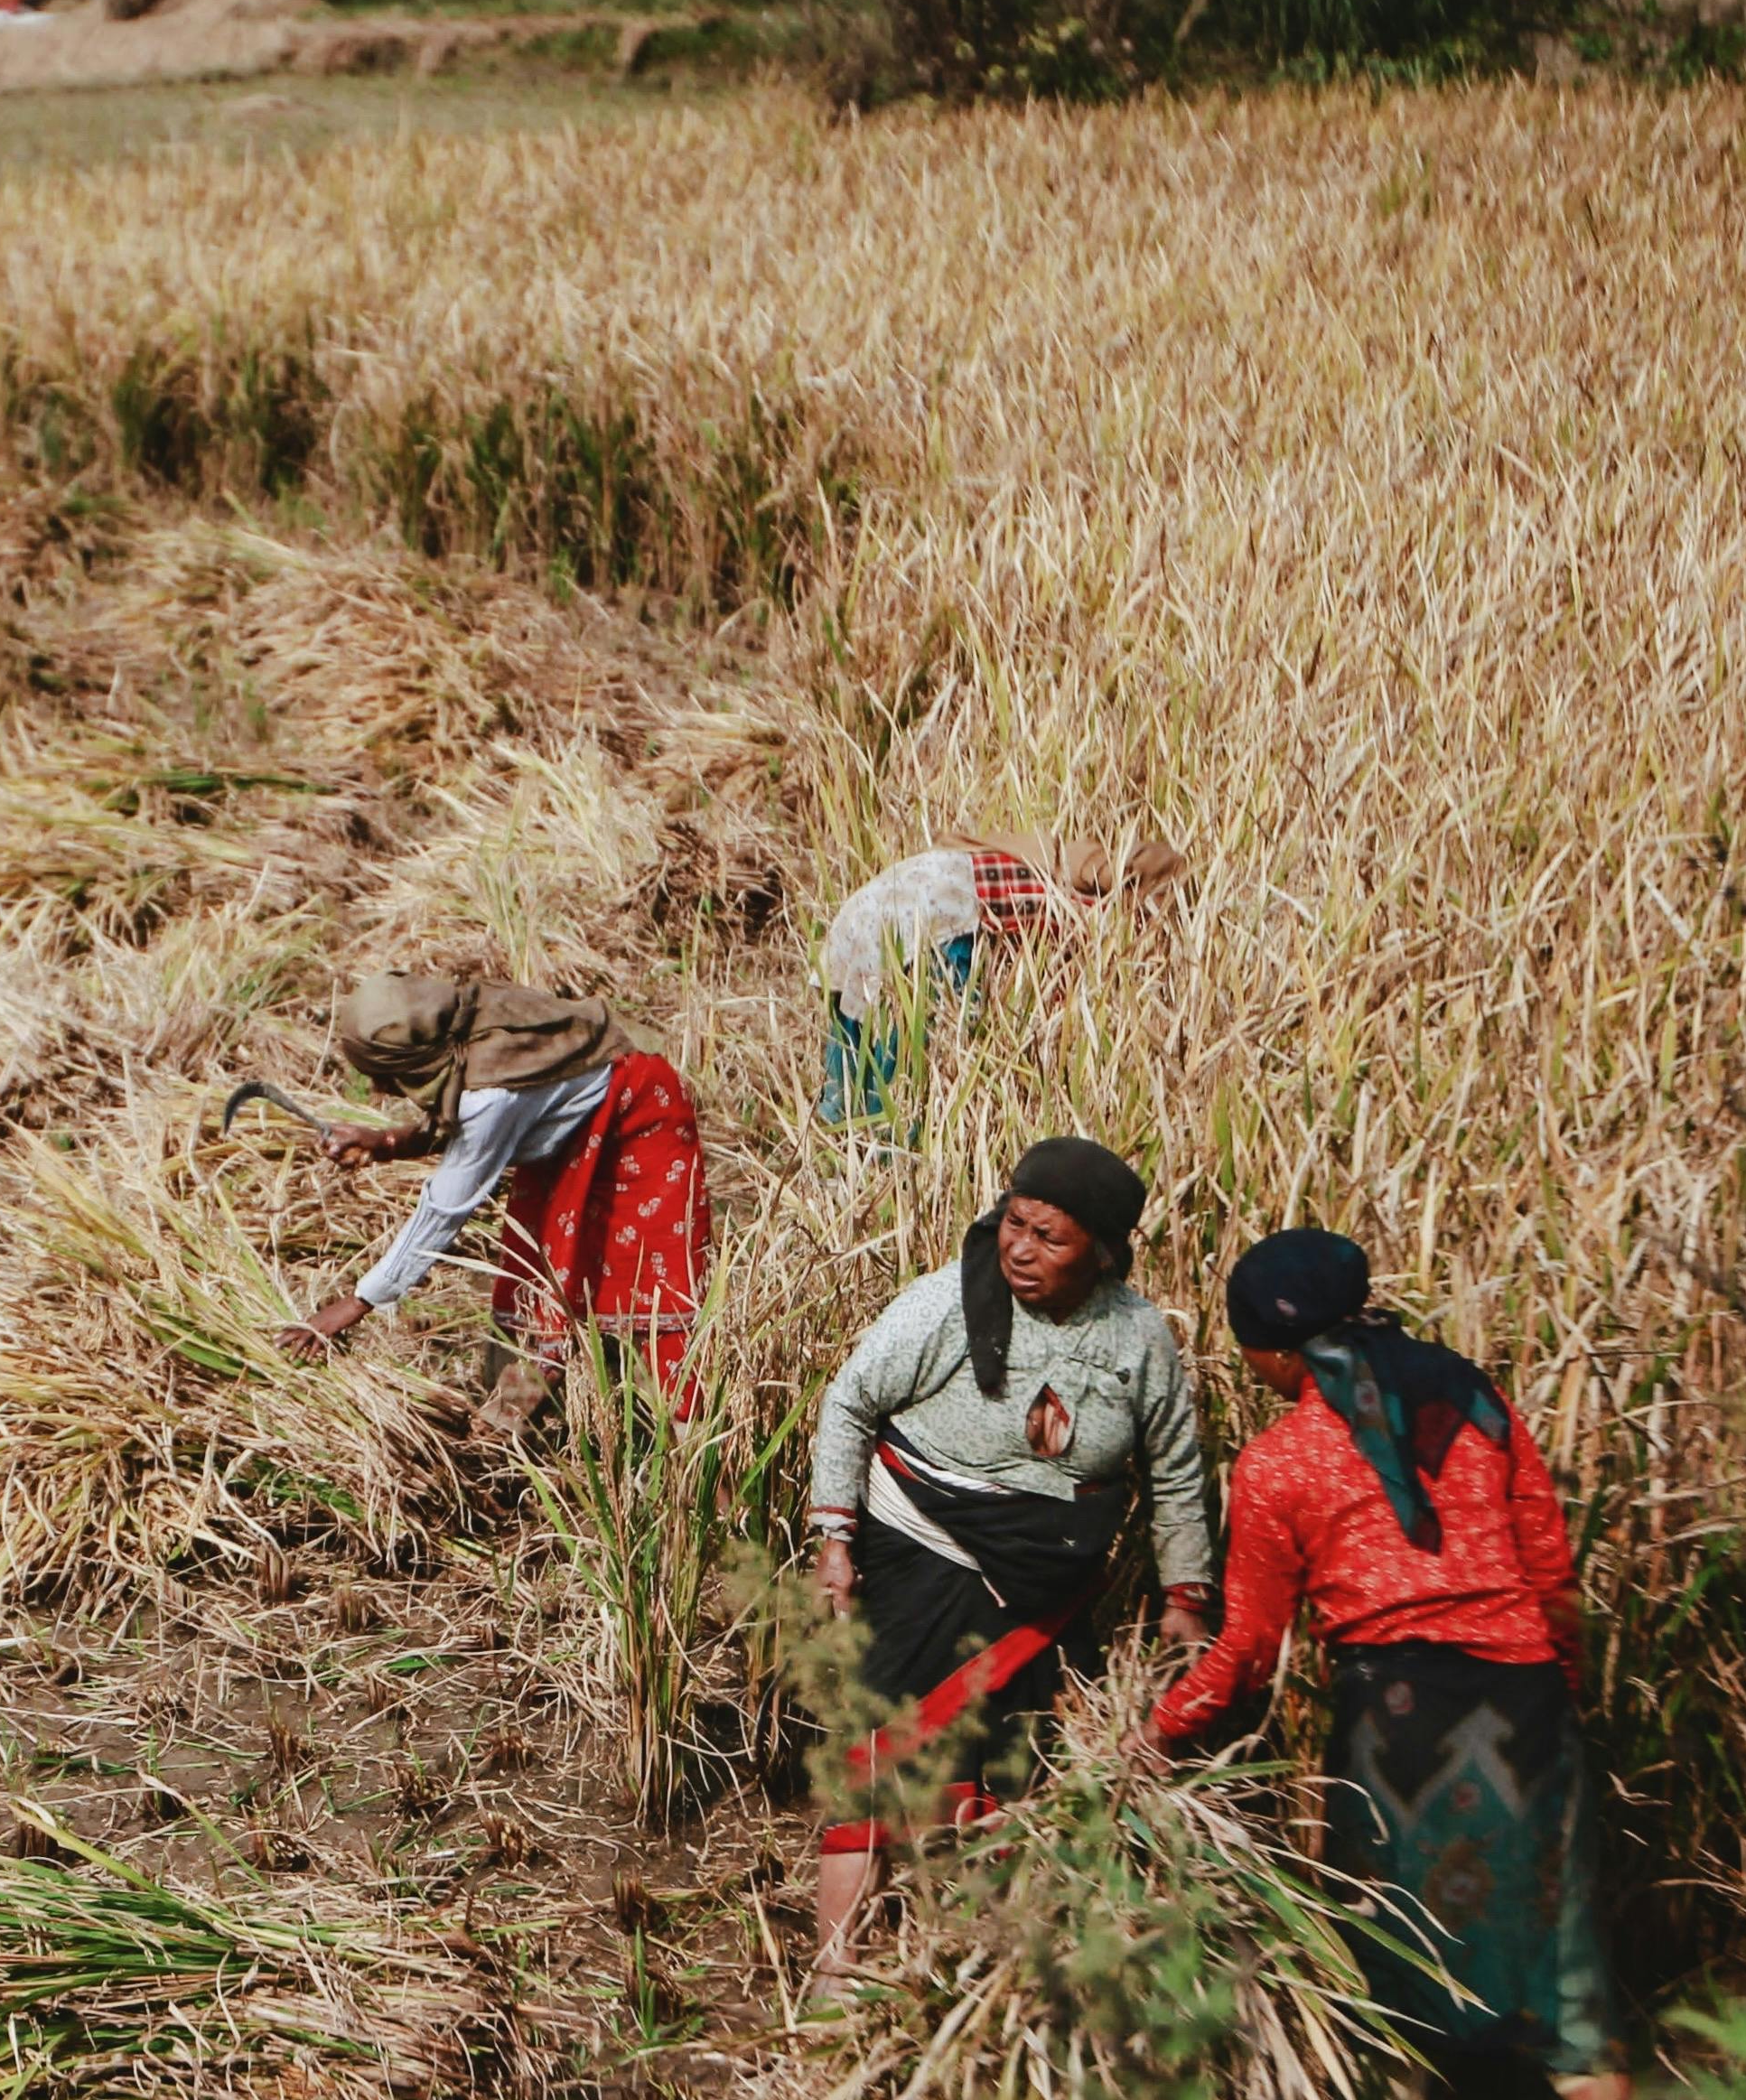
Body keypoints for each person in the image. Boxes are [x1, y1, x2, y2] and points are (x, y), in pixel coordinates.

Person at [1144, 1229, 1636, 2100]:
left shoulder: (1277, 1465)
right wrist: (1563, 1698)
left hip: (1396, 1726)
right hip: (1526, 1708)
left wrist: (1155, 1729)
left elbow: (1245, 1650)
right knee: (1563, 1960)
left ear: (1274, 1353)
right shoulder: (1476, 1406)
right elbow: (1550, 1578)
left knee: (1388, 1957)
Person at [808, 1136, 1214, 1965]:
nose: (1020, 1250)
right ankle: (836, 1968)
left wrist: (1184, 1594)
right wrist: (835, 1538)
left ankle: (972, 1956)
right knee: (882, 1748)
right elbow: (849, 1403)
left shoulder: (1139, 1338)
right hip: (924, 1550)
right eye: (1014, 1225)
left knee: (1019, 1760)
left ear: (1101, 1255)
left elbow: (1176, 1468)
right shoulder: (945, 1306)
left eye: (1049, 1237)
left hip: (1049, 1586)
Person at [277, 975, 712, 1418]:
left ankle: (692, 1442)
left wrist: (358, 1302)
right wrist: (387, 1142)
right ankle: (516, 1419)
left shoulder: (493, 1092)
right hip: (577, 1130)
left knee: (650, 1284)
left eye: (384, 1077)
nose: (379, 1091)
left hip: (639, 1121)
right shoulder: (466, 1024)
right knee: (542, 1267)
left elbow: (445, 1207)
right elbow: (478, 1125)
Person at [817, 831, 1187, 1127]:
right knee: (920, 1052)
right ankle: (896, 1143)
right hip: (946, 910)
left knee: (864, 1030)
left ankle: (844, 1125)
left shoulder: (1042, 852)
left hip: (886, 896)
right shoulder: (1099, 899)